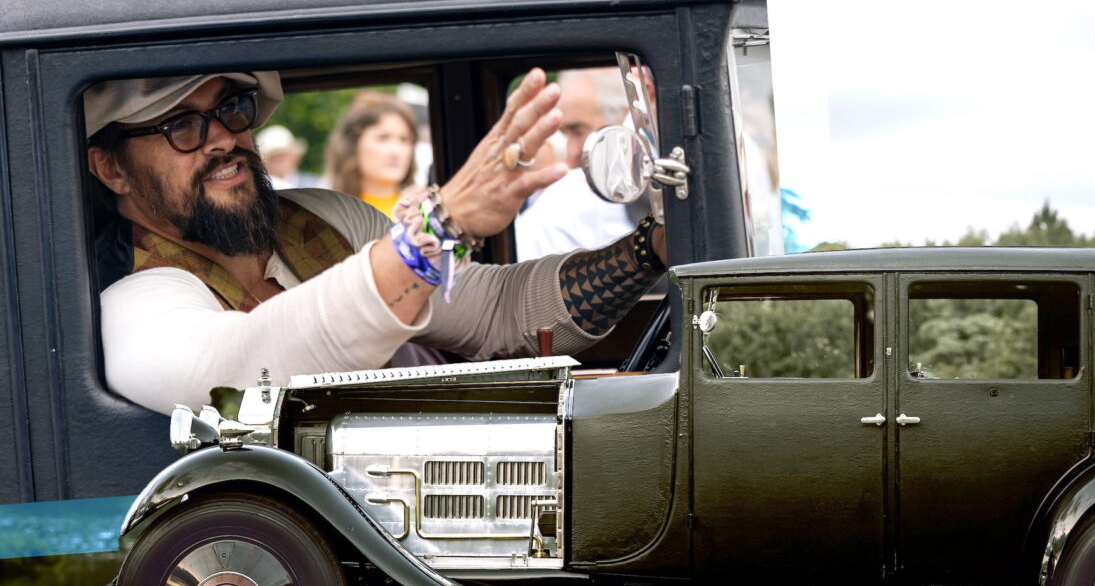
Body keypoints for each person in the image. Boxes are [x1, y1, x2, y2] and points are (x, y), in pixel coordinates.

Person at [84, 69, 668, 414]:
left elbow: (497, 312)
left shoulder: (322, 218)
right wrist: (439, 227)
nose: (221, 139)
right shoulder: (128, 297)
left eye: (231, 110)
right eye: (181, 125)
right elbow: (244, 371)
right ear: (112, 169)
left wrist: (649, 249)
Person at [514, 67, 637, 260]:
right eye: (565, 134)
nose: (571, 153)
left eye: (578, 131)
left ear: (625, 120)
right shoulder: (561, 204)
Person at [322, 92, 420, 215]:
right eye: (383, 138)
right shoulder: (329, 214)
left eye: (404, 139)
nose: (396, 151)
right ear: (353, 145)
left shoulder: (424, 211)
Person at [253, 125, 316, 189]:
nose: (280, 162)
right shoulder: (259, 188)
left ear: (294, 158)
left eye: (283, 156)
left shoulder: (313, 183)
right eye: (275, 158)